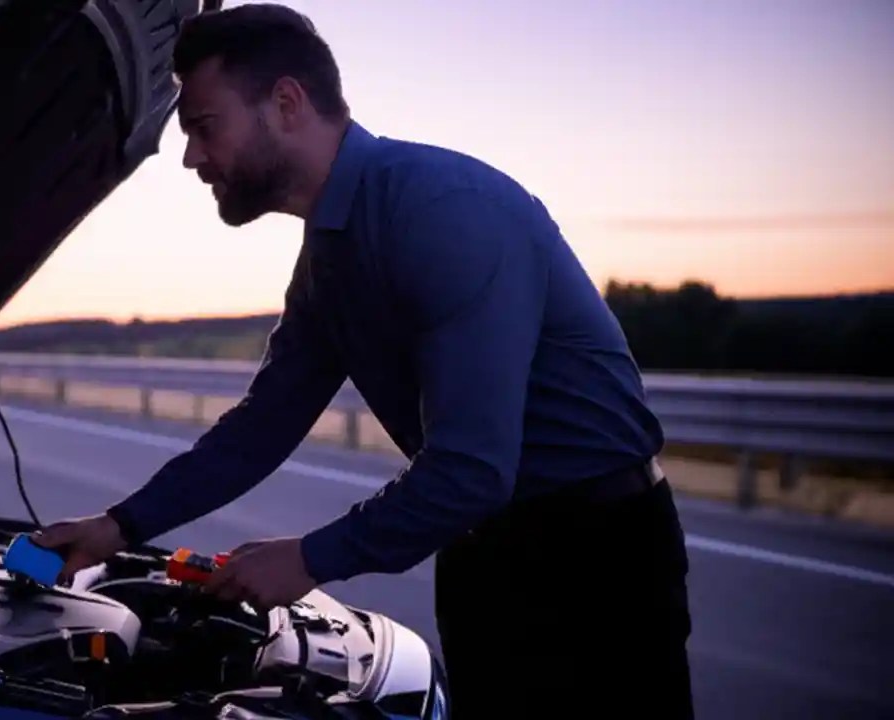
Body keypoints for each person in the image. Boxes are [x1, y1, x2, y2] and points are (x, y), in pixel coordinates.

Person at [34, 4, 693, 717]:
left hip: (597, 560)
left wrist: (309, 558)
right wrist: (120, 527)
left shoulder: (443, 210)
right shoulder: (328, 256)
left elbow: (473, 468)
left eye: (203, 125)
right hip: (483, 552)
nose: (191, 156)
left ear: (285, 104)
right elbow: (263, 425)